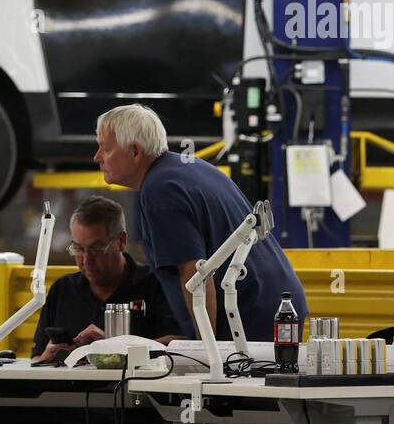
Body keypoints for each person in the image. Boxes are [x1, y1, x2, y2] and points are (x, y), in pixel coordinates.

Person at [0, 195, 181, 424]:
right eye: (78, 249)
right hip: (71, 405)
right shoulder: (63, 290)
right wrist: (46, 358)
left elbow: (178, 344)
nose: (86, 260)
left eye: (96, 249)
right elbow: (37, 358)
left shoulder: (153, 285)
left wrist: (115, 345)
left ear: (120, 241)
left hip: (137, 409)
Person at [93, 103, 309, 342]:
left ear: (135, 151)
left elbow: (196, 274)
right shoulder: (188, 167)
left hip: (250, 311)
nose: (97, 157)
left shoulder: (160, 190)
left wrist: (205, 349)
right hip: (278, 301)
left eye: (105, 148)